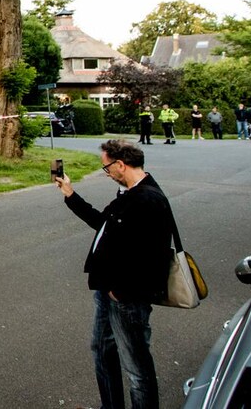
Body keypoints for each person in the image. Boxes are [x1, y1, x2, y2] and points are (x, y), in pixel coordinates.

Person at [53, 140, 174, 409]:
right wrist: (70, 194)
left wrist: (119, 290)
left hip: (126, 296)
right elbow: (102, 224)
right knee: (103, 351)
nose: (106, 173)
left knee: (136, 367)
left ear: (120, 164)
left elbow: (152, 255)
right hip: (108, 289)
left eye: (106, 168)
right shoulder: (129, 194)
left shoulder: (147, 199)